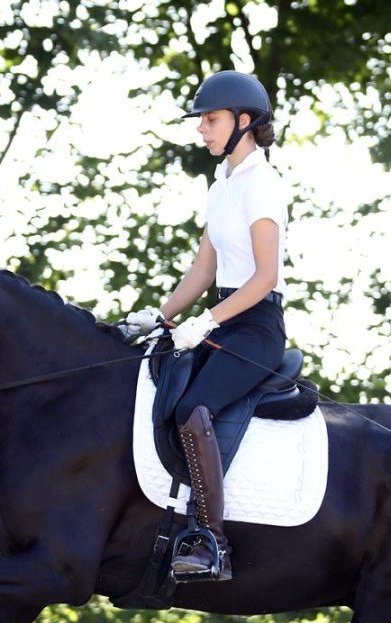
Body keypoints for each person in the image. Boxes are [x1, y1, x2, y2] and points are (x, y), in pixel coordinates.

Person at [122, 70, 289, 583]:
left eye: (210, 120)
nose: (201, 129)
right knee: (162, 393)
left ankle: (210, 540)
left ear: (244, 122)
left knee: (197, 408)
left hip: (255, 327)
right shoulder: (223, 186)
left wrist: (207, 322)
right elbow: (203, 270)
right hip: (222, 318)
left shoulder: (262, 185)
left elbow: (265, 277)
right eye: (202, 121)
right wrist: (163, 315)